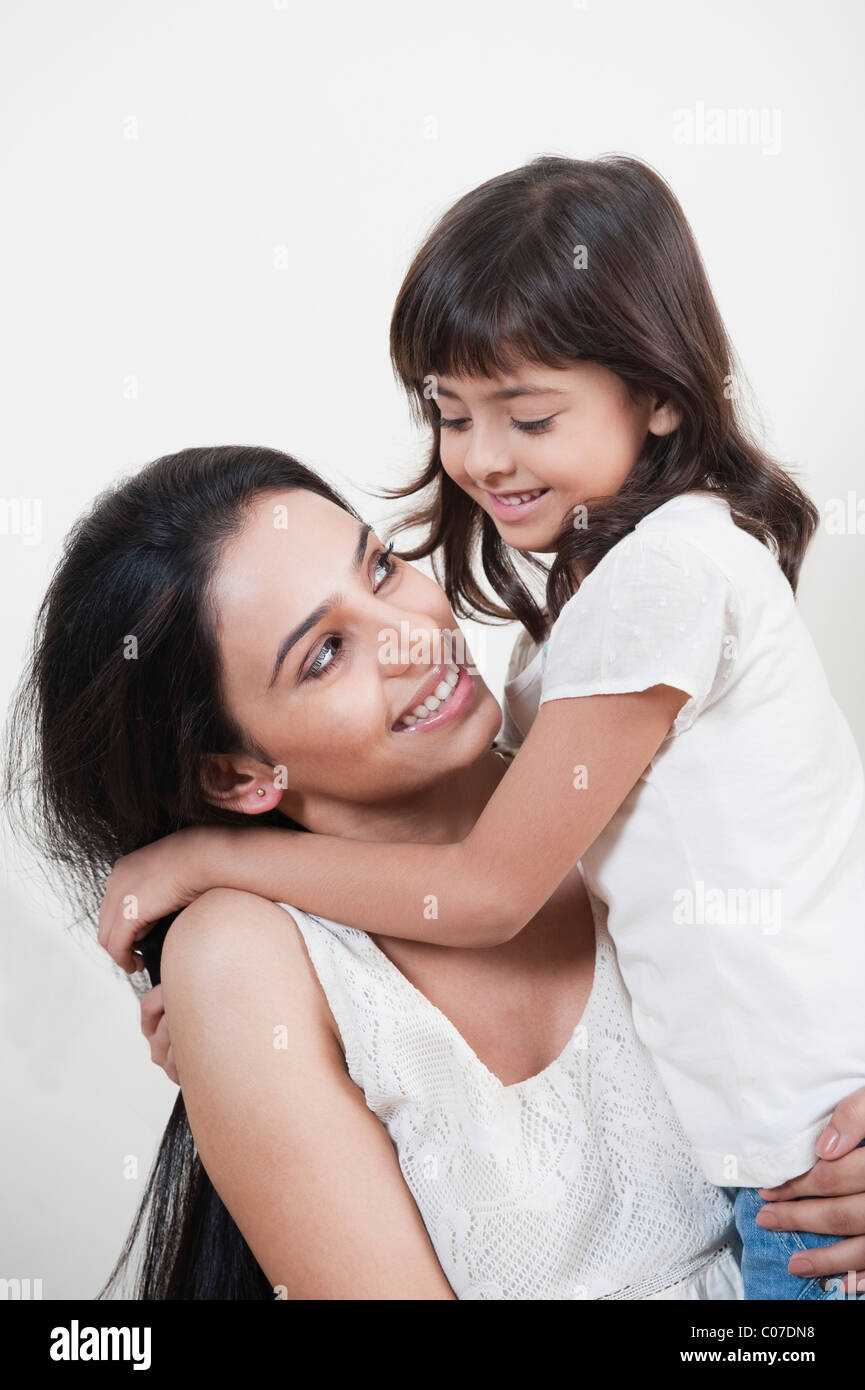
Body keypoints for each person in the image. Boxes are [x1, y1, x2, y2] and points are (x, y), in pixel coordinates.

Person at [101, 158, 865, 1300]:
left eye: (382, 566)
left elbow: (788, 882)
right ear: (235, 767)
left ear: (658, 396)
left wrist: (204, 854)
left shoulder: (603, 718)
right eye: (325, 652)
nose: (412, 632)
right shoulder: (251, 953)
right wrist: (231, 1034)